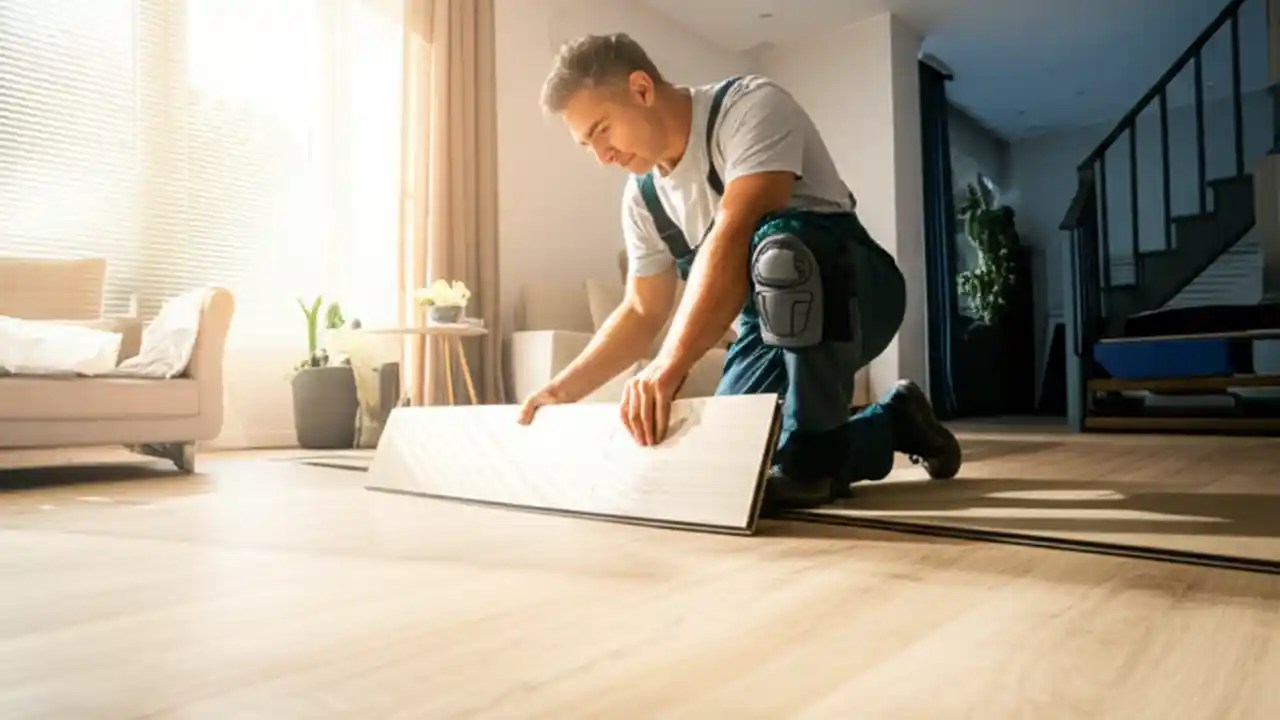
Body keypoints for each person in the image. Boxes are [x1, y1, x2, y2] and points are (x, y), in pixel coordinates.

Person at [517, 33, 961, 509]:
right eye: (587, 144)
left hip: (857, 292)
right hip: (766, 327)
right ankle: (895, 422)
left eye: (602, 129)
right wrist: (562, 390)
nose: (602, 156)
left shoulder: (748, 107)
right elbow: (642, 309)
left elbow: (735, 228)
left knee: (780, 249)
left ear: (641, 90)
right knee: (729, 468)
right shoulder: (642, 199)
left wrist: (669, 367)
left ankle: (809, 462)